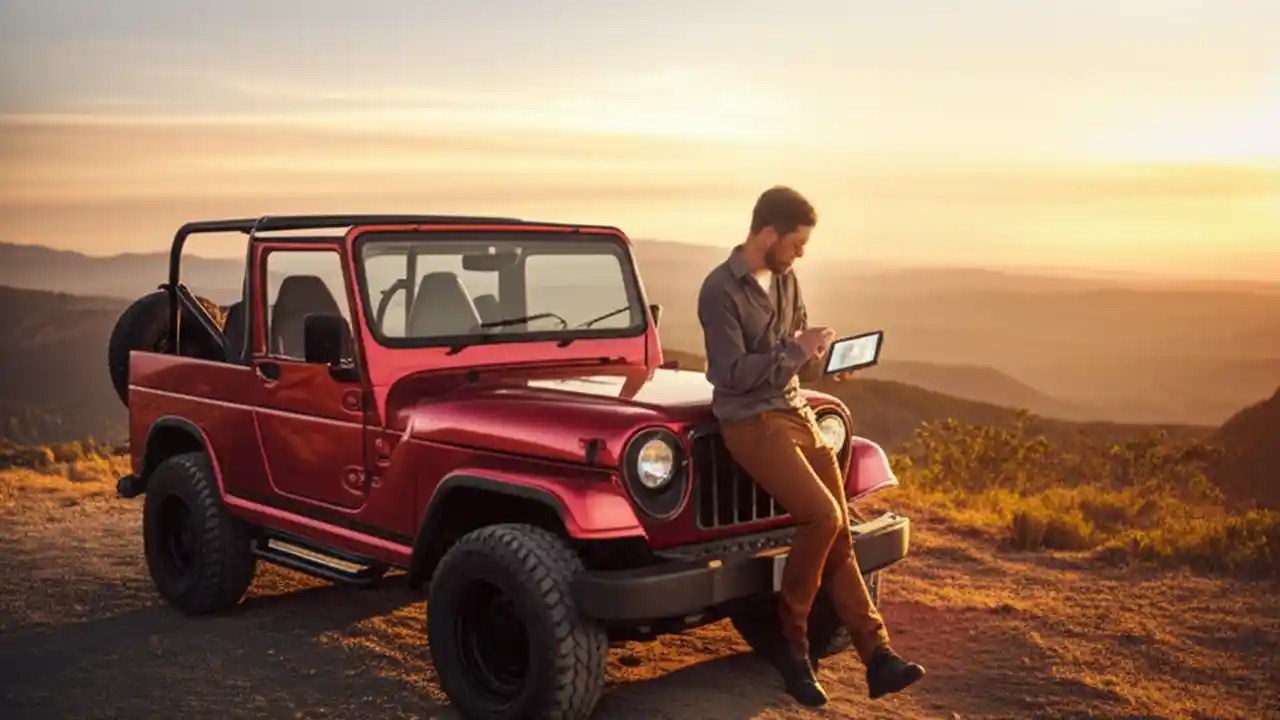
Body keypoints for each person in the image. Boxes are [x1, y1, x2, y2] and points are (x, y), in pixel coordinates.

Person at [696, 186, 925, 707]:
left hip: (797, 411)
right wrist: (792, 351)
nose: (800, 254)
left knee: (840, 526)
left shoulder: (786, 279)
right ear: (768, 234)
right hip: (752, 421)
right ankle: (793, 647)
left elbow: (794, 352)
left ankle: (878, 656)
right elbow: (729, 375)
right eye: (796, 243)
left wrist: (819, 357)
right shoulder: (720, 291)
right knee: (822, 517)